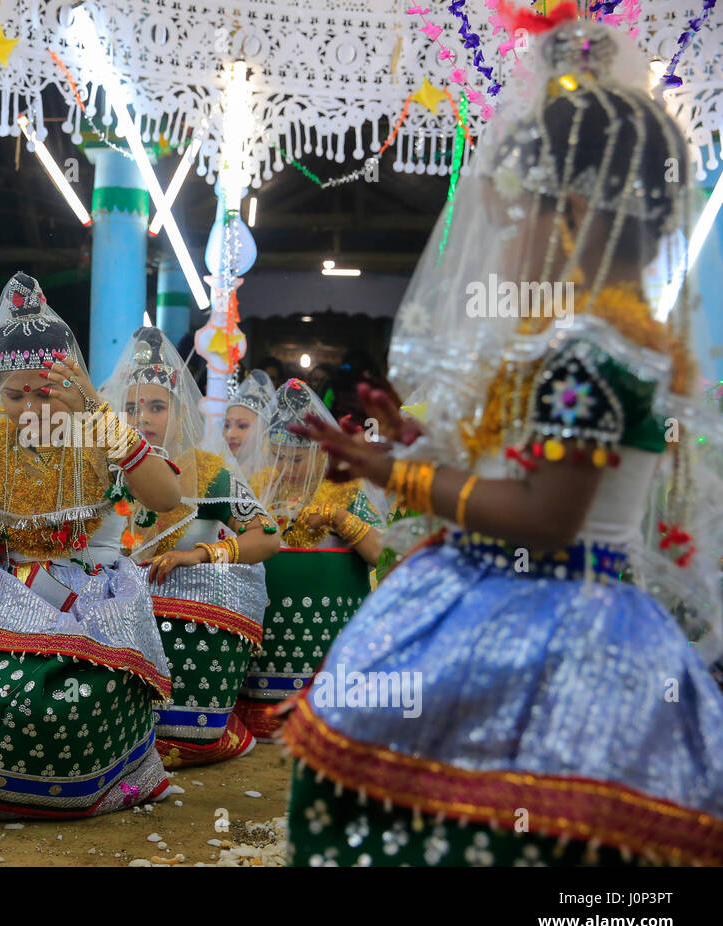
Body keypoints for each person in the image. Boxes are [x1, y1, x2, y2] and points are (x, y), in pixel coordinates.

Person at [278, 14, 723, 866]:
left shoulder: (583, 355)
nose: (503, 241)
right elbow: (520, 469)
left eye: (517, 216)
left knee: (455, 818)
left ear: (575, 216)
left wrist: (396, 472)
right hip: (562, 607)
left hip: (540, 620)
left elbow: (546, 516)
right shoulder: (603, 342)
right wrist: (424, 444)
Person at [0, 272, 182, 821]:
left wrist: (94, 409)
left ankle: (83, 785)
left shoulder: (101, 442)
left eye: (45, 393)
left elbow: (166, 496)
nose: (29, 410)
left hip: (93, 603)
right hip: (0, 591)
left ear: (74, 384)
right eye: (14, 394)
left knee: (76, 704)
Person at [101, 328, 279, 767]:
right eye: (130, 408)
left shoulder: (208, 471)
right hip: (107, 628)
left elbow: (267, 535)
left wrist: (199, 555)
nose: (141, 418)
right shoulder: (98, 469)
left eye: (157, 407)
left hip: (179, 636)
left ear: (182, 415)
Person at [233, 379, 384, 741]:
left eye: (296, 459)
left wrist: (338, 518)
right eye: (278, 457)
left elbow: (382, 554)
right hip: (265, 642)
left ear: (322, 454)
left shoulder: (347, 490)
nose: (286, 467)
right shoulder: (259, 486)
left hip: (325, 634)